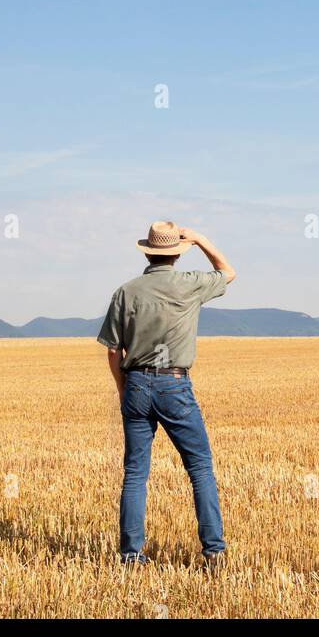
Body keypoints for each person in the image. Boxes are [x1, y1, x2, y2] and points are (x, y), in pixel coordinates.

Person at [97, 220, 236, 567]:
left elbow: (113, 351)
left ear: (147, 251)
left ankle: (131, 555)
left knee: (135, 473)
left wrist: (122, 388)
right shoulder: (190, 284)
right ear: (177, 253)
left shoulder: (126, 291)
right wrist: (201, 239)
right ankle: (213, 552)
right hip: (175, 384)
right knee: (200, 468)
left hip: (137, 384)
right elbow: (228, 272)